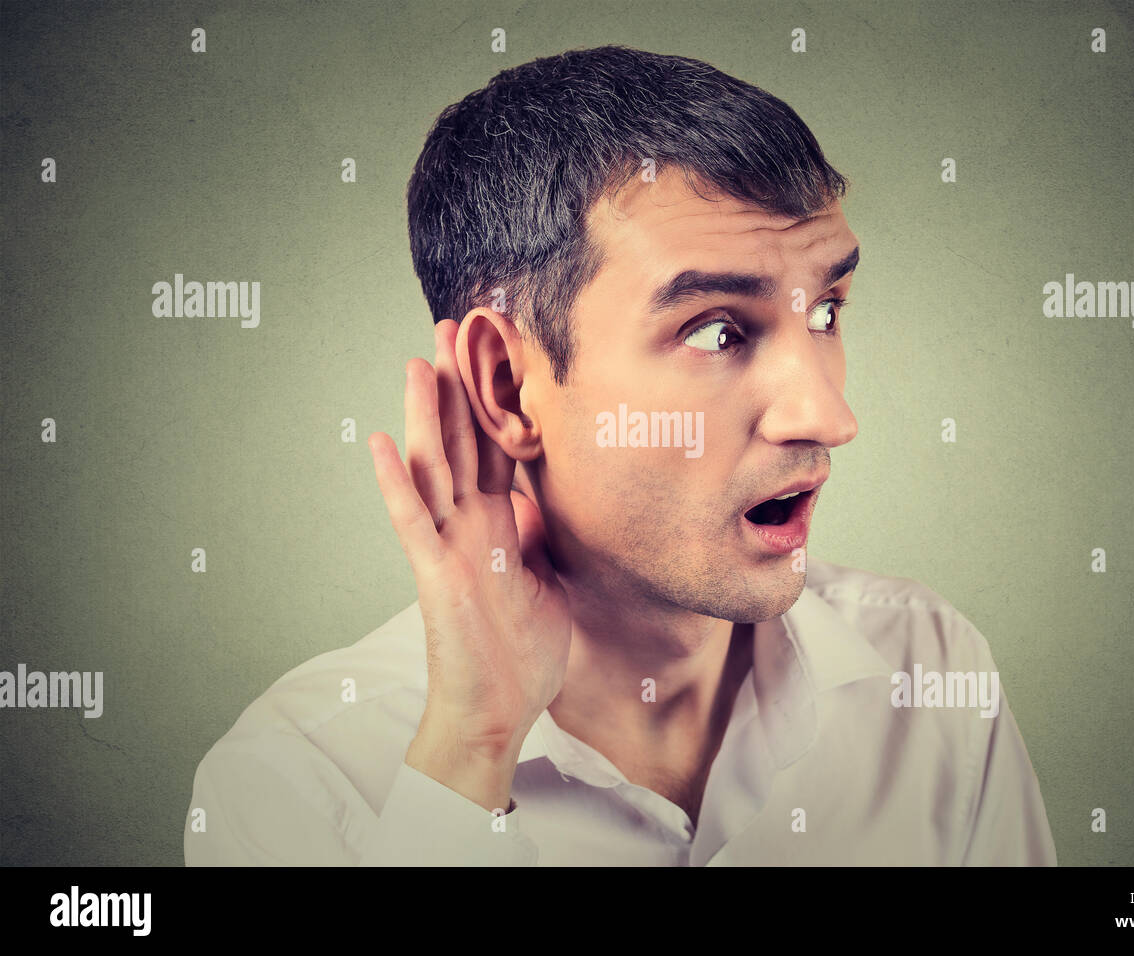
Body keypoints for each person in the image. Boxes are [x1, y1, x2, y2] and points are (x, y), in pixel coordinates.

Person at [185, 44, 1055, 866]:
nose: (829, 416)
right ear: (506, 386)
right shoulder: (296, 783)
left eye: (827, 310)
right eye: (718, 330)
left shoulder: (930, 672)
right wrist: (473, 748)